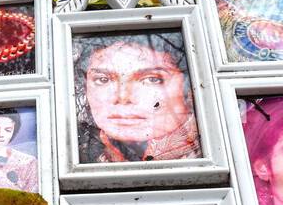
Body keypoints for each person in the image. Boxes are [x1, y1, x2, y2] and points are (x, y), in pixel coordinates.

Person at [75, 32, 201, 164]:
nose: (123, 96)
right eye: (103, 79)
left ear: (188, 87)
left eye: (152, 79)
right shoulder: (77, 153)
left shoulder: (210, 150)